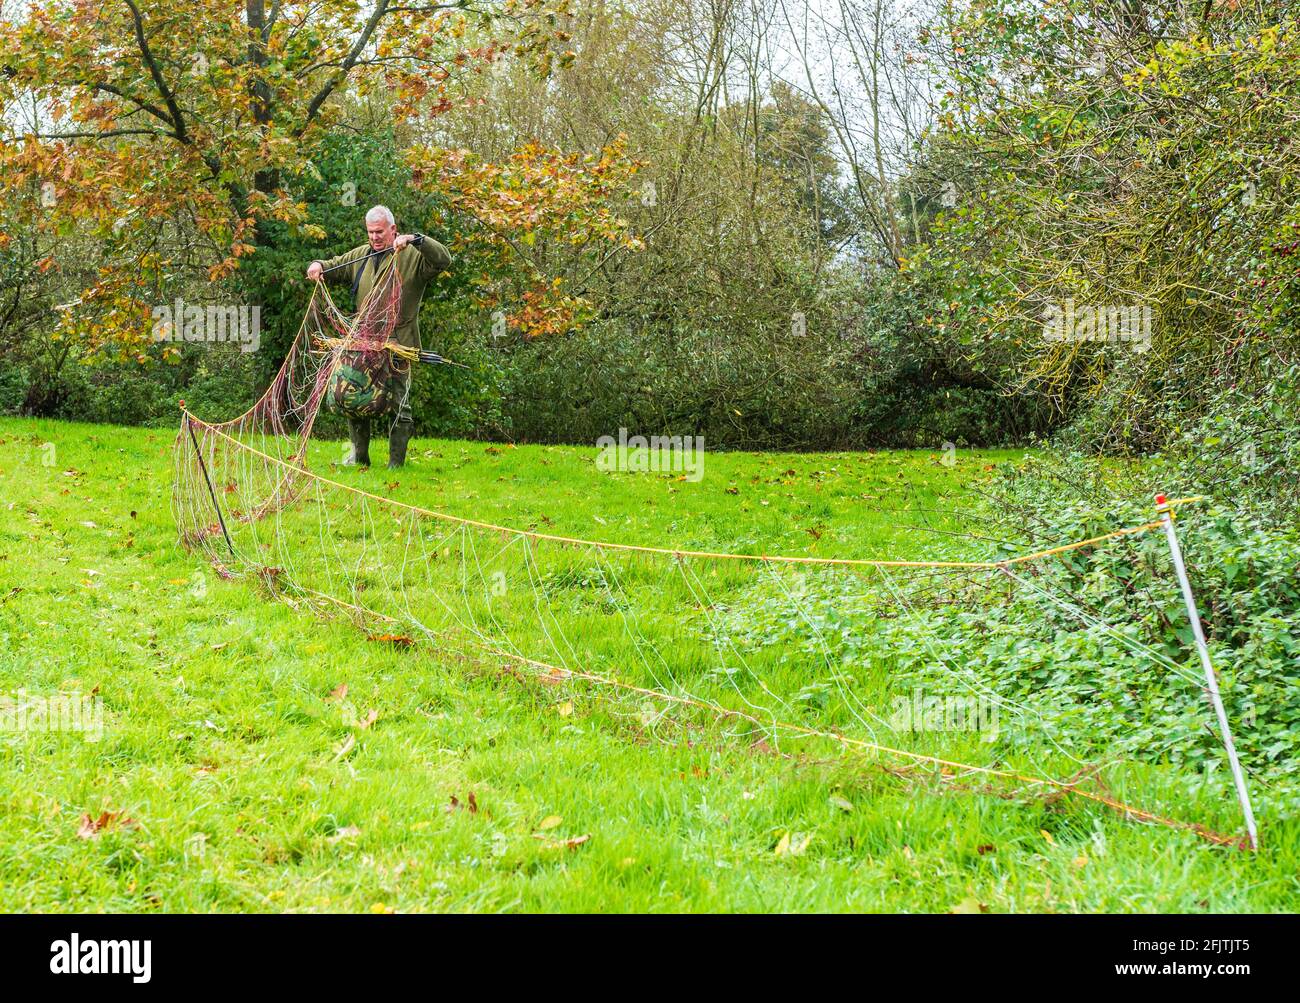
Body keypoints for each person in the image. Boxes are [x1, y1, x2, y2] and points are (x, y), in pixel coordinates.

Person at [306, 205, 452, 468]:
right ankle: (360, 458)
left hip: (399, 344)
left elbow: (443, 260)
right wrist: (318, 266)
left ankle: (396, 464)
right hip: (363, 344)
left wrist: (417, 239)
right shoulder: (361, 255)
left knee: (399, 405)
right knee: (354, 397)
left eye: (380, 232)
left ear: (393, 230)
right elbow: (335, 266)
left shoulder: (413, 257)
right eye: (370, 232)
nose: (374, 237)